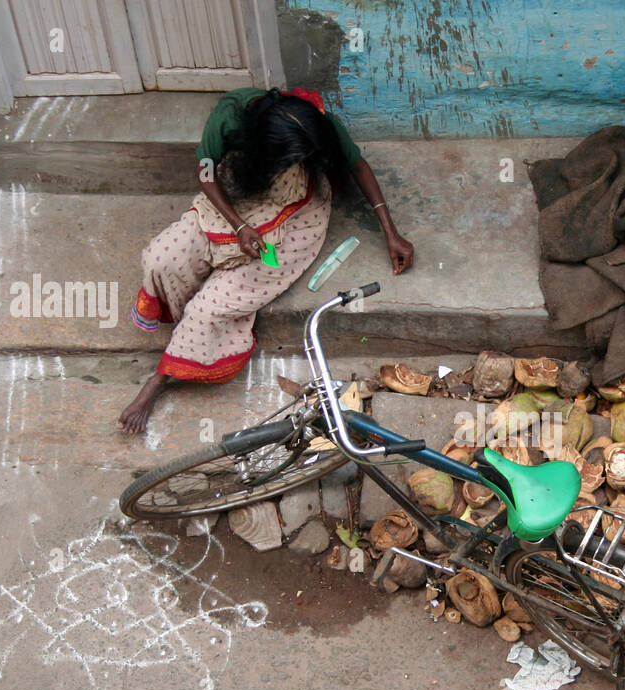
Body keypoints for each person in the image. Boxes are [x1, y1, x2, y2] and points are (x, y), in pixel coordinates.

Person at [117, 87, 413, 433]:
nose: (292, 162)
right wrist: (239, 225)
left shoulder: (317, 122)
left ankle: (159, 379)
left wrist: (390, 231)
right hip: (236, 196)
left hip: (295, 211)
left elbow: (358, 166)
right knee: (160, 259)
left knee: (207, 308)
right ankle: (186, 334)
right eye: (286, 158)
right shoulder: (230, 115)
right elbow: (207, 171)